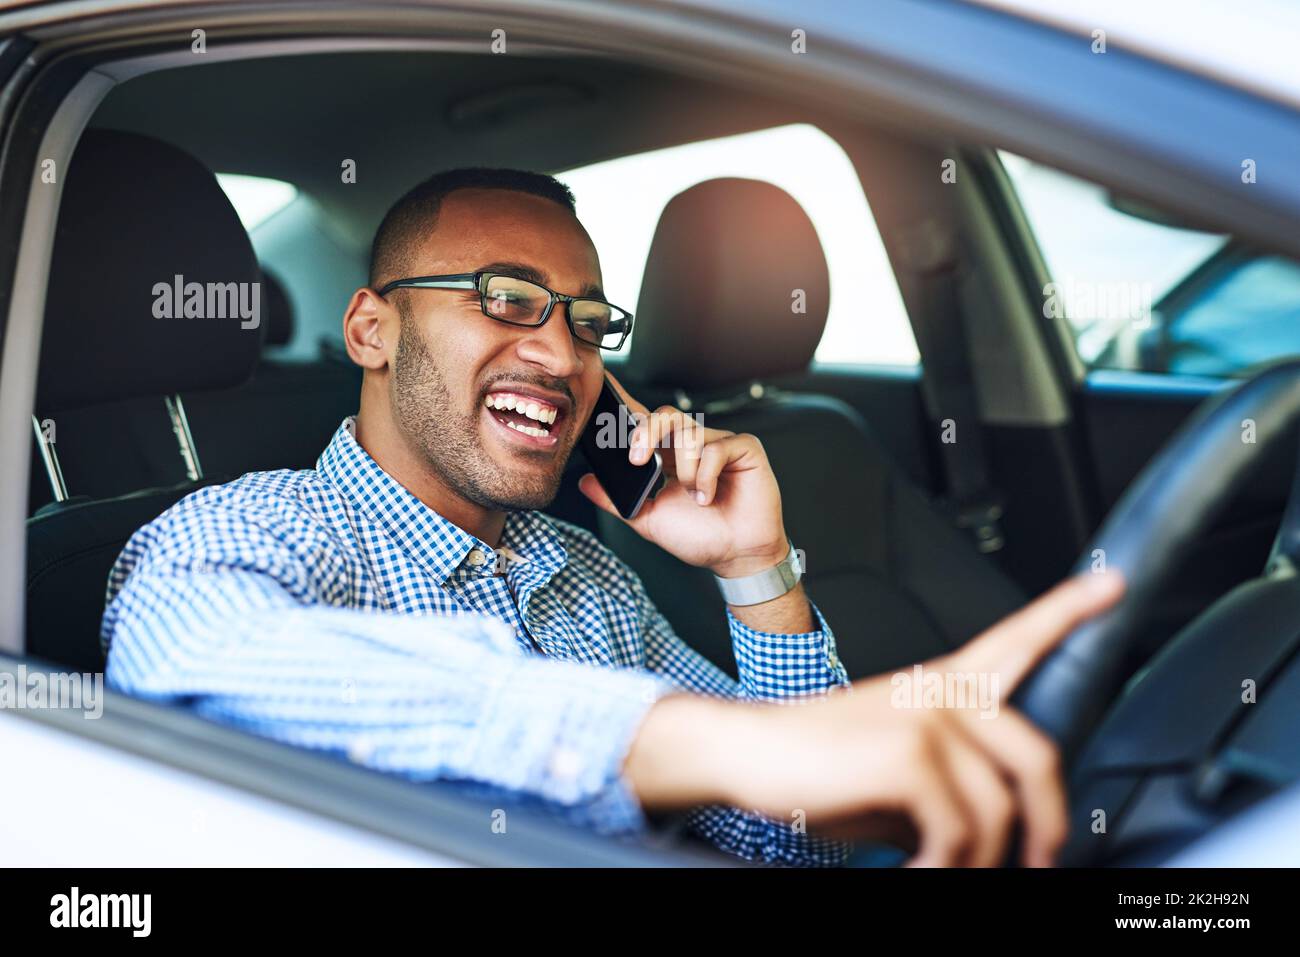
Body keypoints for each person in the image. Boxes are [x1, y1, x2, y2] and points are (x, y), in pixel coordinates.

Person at [103, 168, 1124, 867]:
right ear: (372, 329)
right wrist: (701, 746)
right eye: (505, 299)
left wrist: (753, 566)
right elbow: (187, 662)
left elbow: (797, 842)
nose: (559, 356)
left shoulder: (587, 578)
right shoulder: (252, 527)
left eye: (588, 320)